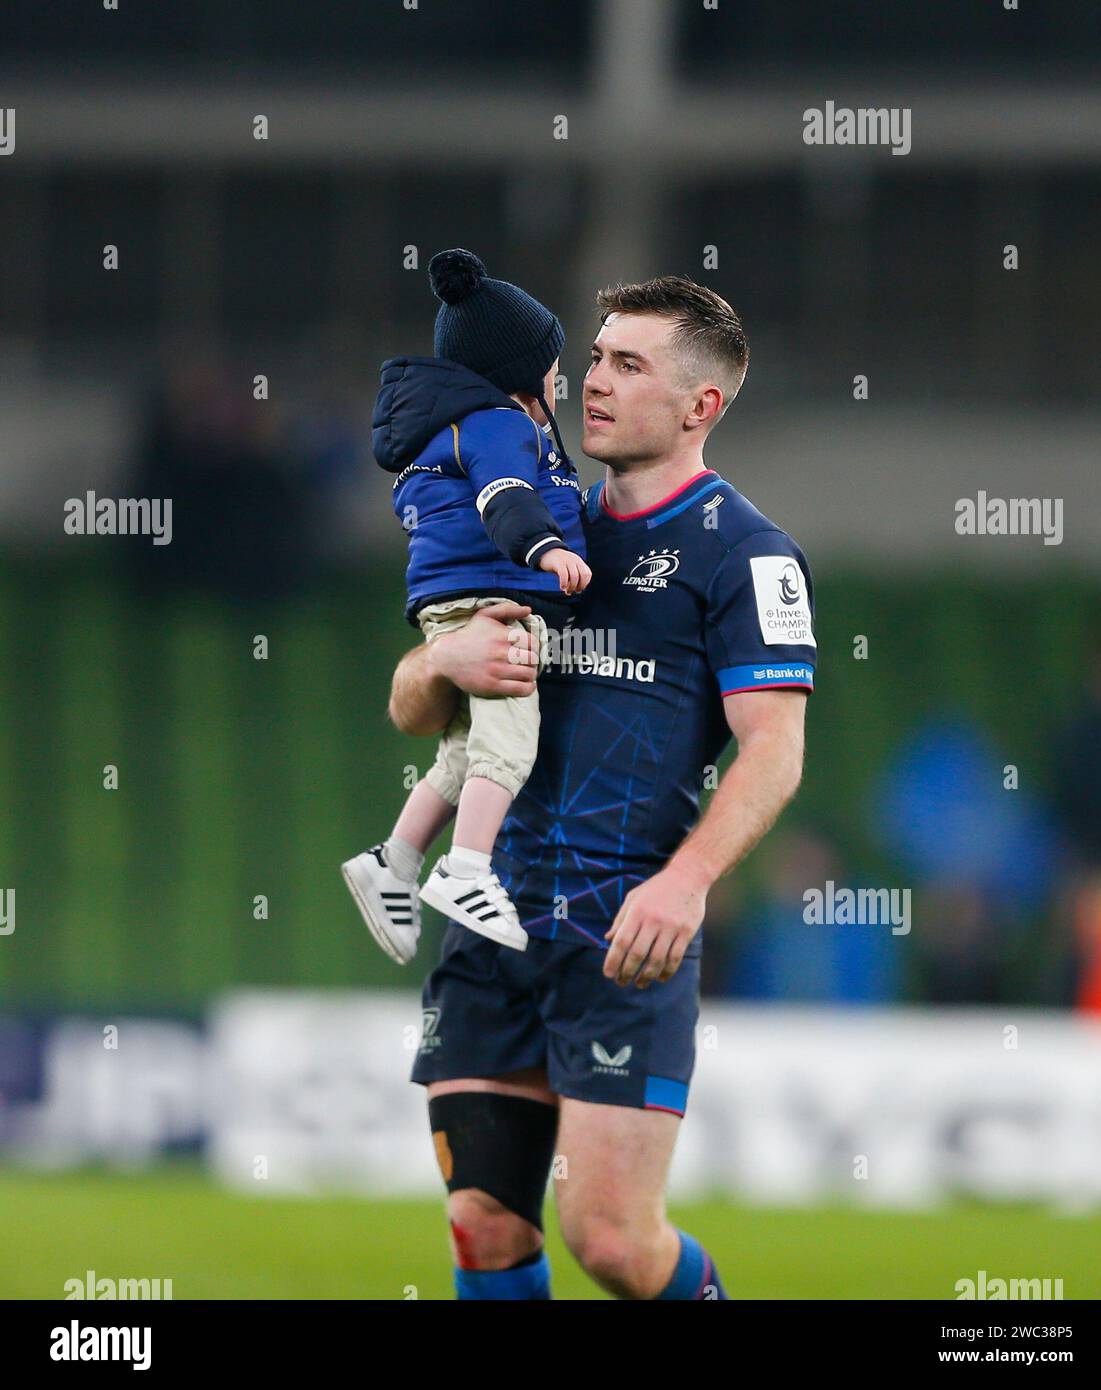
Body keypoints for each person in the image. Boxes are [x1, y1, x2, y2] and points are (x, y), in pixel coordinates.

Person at [389, 276, 815, 1299]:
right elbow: (412, 705)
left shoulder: (744, 552)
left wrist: (688, 880)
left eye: (630, 365)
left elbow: (774, 748)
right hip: (492, 923)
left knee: (611, 1240)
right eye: (594, 356)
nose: (594, 381)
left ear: (699, 405)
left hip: (620, 933)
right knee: (482, 1226)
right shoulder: (539, 524)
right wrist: (441, 667)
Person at [341, 250, 589, 955]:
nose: (557, 379)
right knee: (508, 746)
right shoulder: (500, 426)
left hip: (451, 601)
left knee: (461, 754)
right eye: (548, 364)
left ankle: (393, 858)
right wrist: (549, 552)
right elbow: (503, 500)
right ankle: (467, 867)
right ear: (515, 371)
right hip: (496, 600)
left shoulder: (440, 431)